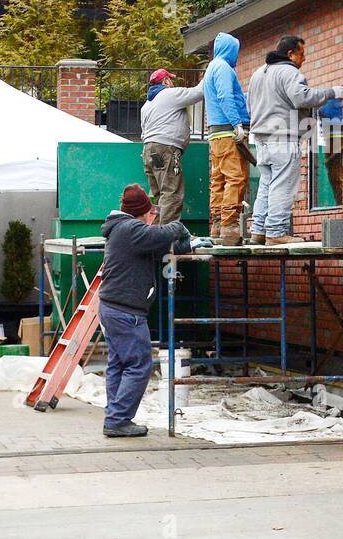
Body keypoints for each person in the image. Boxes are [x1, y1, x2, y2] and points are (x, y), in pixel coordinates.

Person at [98, 184, 192, 438]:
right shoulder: (130, 229)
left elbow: (156, 246)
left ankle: (114, 416)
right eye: (150, 211)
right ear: (142, 210)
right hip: (125, 312)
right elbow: (161, 234)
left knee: (119, 364)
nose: (153, 216)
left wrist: (186, 247)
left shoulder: (124, 231)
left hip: (114, 308)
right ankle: (118, 420)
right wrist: (179, 227)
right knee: (139, 364)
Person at [247, 36, 343, 245]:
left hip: (262, 138)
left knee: (267, 184)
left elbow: (251, 106)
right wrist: (331, 93)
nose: (303, 60)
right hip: (283, 137)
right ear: (290, 54)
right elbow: (302, 97)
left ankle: (258, 231)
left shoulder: (258, 74)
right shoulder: (289, 72)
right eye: (301, 55)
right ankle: (276, 232)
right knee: (283, 184)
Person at [202, 32, 251, 245]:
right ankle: (229, 228)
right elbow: (225, 96)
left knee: (218, 180)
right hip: (227, 132)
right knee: (236, 177)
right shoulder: (223, 68)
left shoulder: (211, 68)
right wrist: (237, 124)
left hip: (215, 134)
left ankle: (217, 225)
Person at [140, 68, 204, 224]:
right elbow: (198, 92)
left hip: (149, 150)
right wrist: (210, 71)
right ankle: (167, 235)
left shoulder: (147, 104)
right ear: (165, 81)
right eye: (171, 79)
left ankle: (153, 233)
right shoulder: (170, 94)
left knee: (158, 195)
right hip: (166, 148)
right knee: (171, 192)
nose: (173, 82)